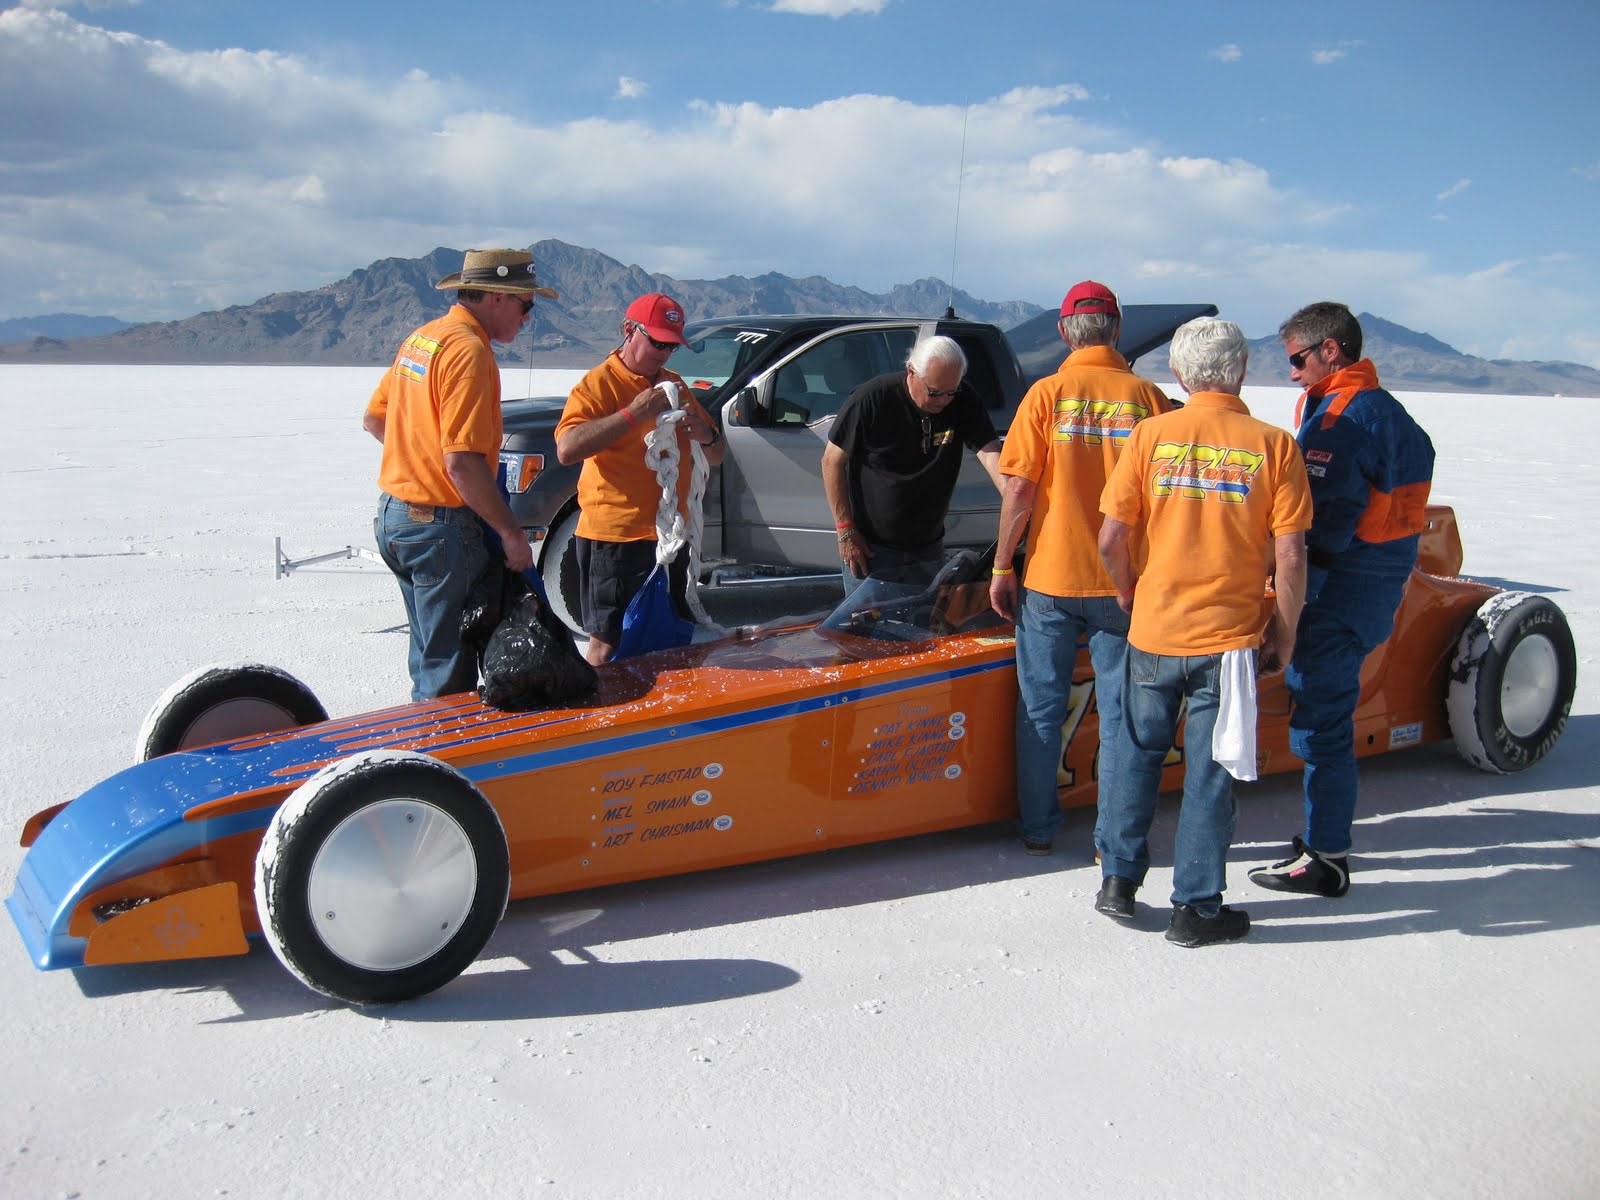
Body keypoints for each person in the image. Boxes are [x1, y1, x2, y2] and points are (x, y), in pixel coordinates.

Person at [1097, 317, 1312, 946]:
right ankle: (1195, 907)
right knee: (1212, 771)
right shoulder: (1273, 445)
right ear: (1241, 370)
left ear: (1182, 376)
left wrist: (1128, 591)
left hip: (1153, 631)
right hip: (1229, 642)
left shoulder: (1150, 437)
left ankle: (1118, 880)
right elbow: (1292, 554)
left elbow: (1112, 536)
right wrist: (1286, 631)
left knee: (1135, 756)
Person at [1249, 302, 1436, 897]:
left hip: (1339, 594)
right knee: (1329, 715)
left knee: (1323, 721)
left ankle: (1327, 858)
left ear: (1331, 351)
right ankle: (1321, 836)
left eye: (1298, 359)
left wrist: (1288, 614)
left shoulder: (1341, 421)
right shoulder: (1389, 413)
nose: (1292, 372)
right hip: (1377, 587)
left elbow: (1321, 533)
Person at [990, 280, 1172, 856]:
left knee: (1042, 709)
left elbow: (1018, 490)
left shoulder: (1047, 394)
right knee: (1120, 715)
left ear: (1066, 332)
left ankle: (1039, 829)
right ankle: (1110, 841)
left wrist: (1001, 565)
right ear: (1116, 330)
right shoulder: (1148, 398)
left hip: (1051, 579)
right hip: (1124, 584)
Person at [363, 247, 549, 701]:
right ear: (496, 298)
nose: (528, 318)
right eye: (527, 305)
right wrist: (510, 534)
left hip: (396, 518)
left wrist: (418, 462)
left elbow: (375, 419)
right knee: (448, 667)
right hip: (439, 530)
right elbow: (462, 462)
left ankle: (425, 746)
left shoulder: (424, 339)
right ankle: (441, 761)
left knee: (428, 651)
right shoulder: (468, 352)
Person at [555, 293, 725, 666]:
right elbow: (567, 448)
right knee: (608, 642)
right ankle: (597, 719)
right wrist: (633, 414)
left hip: (668, 537)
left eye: (671, 346)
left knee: (670, 633)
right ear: (629, 330)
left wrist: (705, 434)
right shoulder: (599, 384)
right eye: (657, 342)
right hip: (615, 538)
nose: (664, 353)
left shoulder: (673, 385)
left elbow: (717, 454)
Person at [823, 336, 1002, 590]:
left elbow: (990, 452)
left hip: (928, 548)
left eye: (951, 392)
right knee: (862, 626)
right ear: (912, 372)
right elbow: (831, 461)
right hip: (872, 548)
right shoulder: (872, 399)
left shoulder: (964, 400)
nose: (943, 400)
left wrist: (1013, 493)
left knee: (921, 626)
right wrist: (845, 530)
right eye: (935, 392)